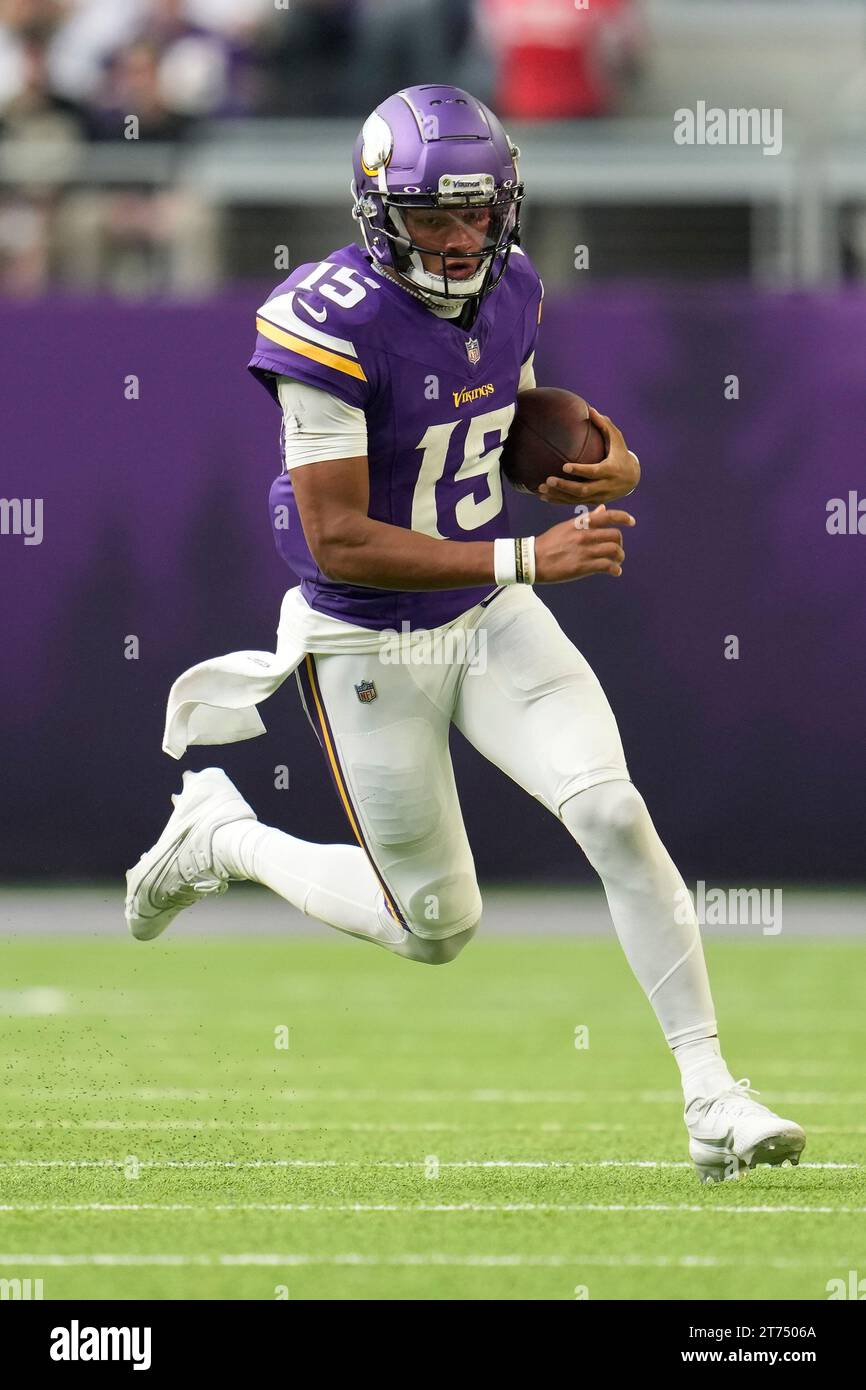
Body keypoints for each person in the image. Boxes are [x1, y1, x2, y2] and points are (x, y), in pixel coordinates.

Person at [125, 84, 805, 1184]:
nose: (457, 238)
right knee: (434, 927)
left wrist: (599, 462)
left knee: (611, 812)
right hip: (366, 643)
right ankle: (222, 835)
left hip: (486, 617)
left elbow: (500, 439)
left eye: (477, 214)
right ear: (375, 214)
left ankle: (708, 1094)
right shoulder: (327, 319)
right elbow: (340, 538)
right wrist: (529, 556)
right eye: (432, 218)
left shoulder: (514, 288)